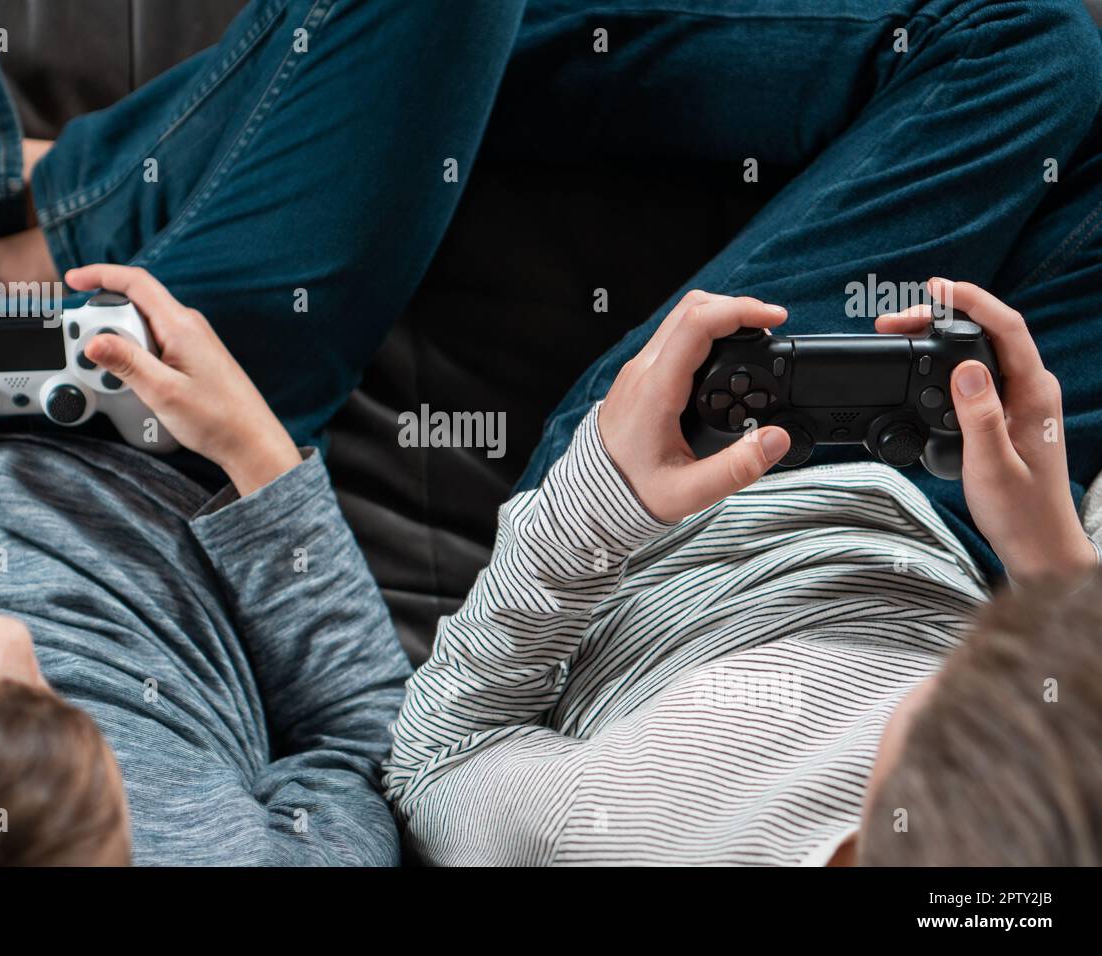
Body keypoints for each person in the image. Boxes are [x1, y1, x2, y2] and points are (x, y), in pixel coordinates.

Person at [0, 0, 531, 865]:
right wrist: (253, 450)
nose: (5, 634)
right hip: (185, 421)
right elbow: (362, 741)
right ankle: (88, 204)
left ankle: (65, 215)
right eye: (35, 698)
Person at [383, 0, 1102, 865]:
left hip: (682, 496)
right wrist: (1055, 572)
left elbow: (437, 758)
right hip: (986, 547)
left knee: (1023, 42)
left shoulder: (633, 835)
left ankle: (412, 54)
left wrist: (606, 497)